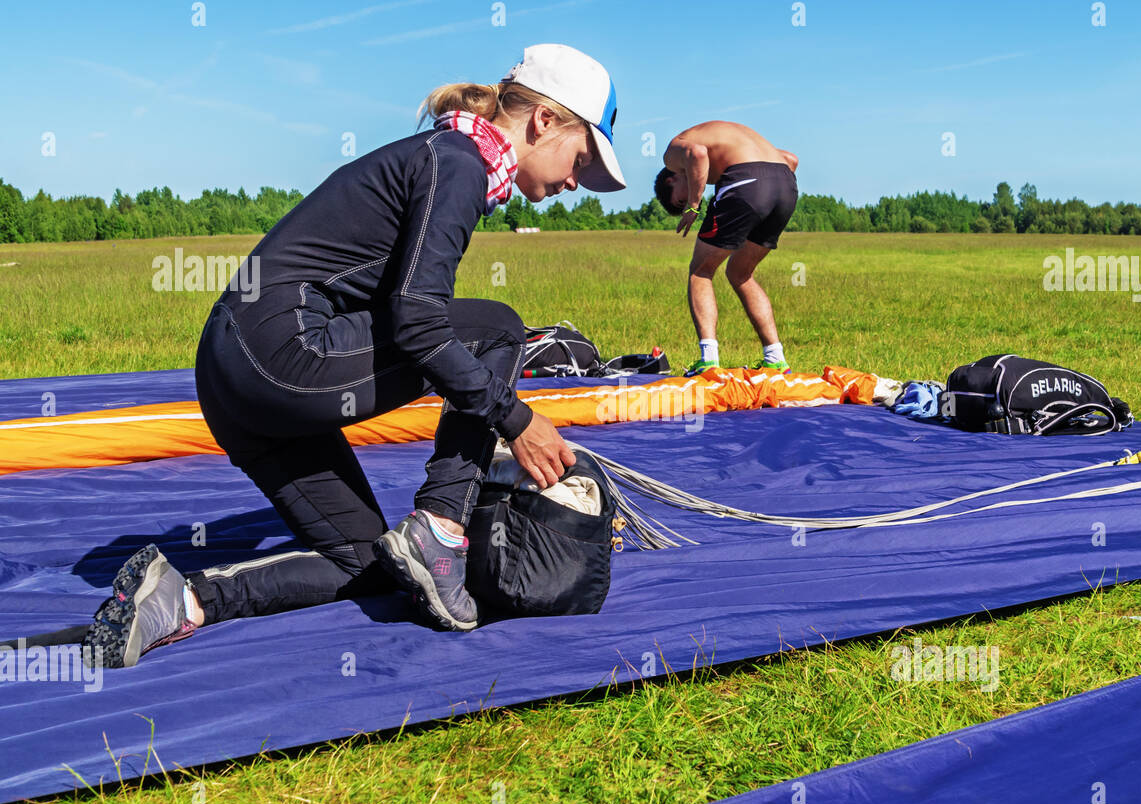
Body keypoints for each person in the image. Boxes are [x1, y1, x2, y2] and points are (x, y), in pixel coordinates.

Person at [82, 43, 626, 669]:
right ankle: (441, 527)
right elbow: (420, 323)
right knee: (499, 328)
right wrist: (517, 421)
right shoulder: (460, 163)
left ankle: (182, 599)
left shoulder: (445, 159)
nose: (573, 183)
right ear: (544, 121)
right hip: (280, 352)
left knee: (370, 564)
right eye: (581, 160)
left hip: (235, 377)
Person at [653, 121, 798, 377]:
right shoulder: (726, 135)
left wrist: (694, 205)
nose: (685, 202)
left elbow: (697, 154)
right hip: (786, 185)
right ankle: (775, 359)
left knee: (700, 270)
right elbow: (790, 159)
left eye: (680, 198)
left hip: (746, 180)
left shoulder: (671, 155)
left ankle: (708, 360)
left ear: (671, 177)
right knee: (740, 273)